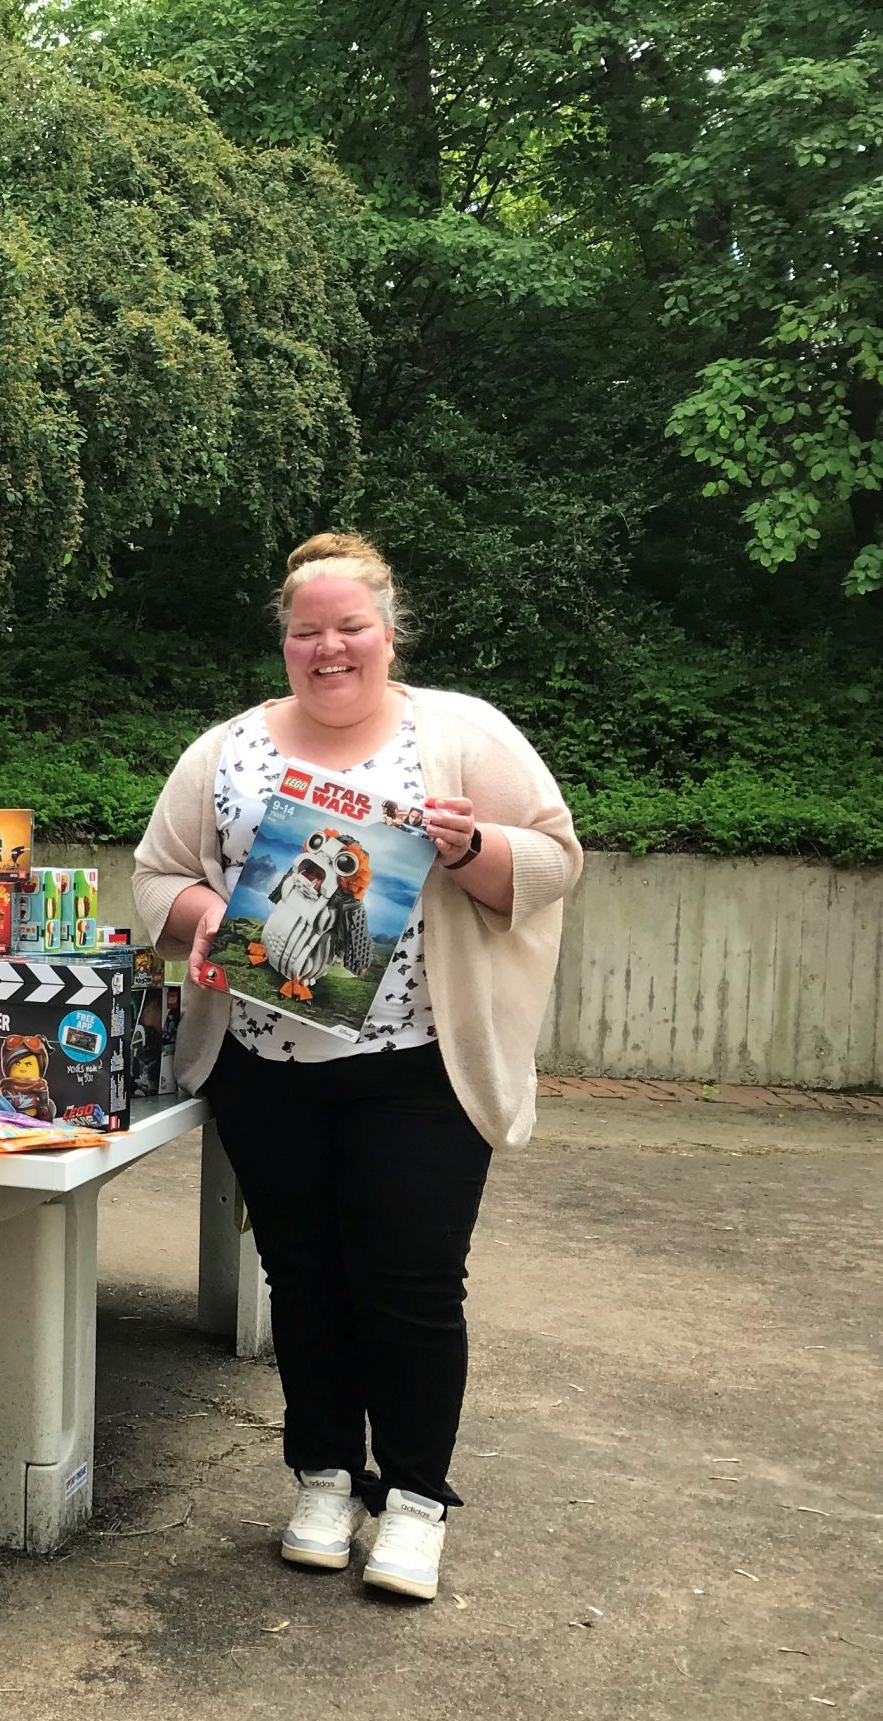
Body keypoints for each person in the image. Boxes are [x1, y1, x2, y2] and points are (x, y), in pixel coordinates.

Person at [132, 531, 581, 1603]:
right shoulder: (226, 751)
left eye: (350, 628)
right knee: (303, 1278)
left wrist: (472, 849)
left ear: (388, 632)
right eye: (306, 632)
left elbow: (557, 858)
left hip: (421, 1067)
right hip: (265, 1063)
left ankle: (416, 1500)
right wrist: (203, 917)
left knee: (412, 1283)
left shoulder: (462, 734)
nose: (328, 648)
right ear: (283, 641)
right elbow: (156, 876)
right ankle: (325, 1479)